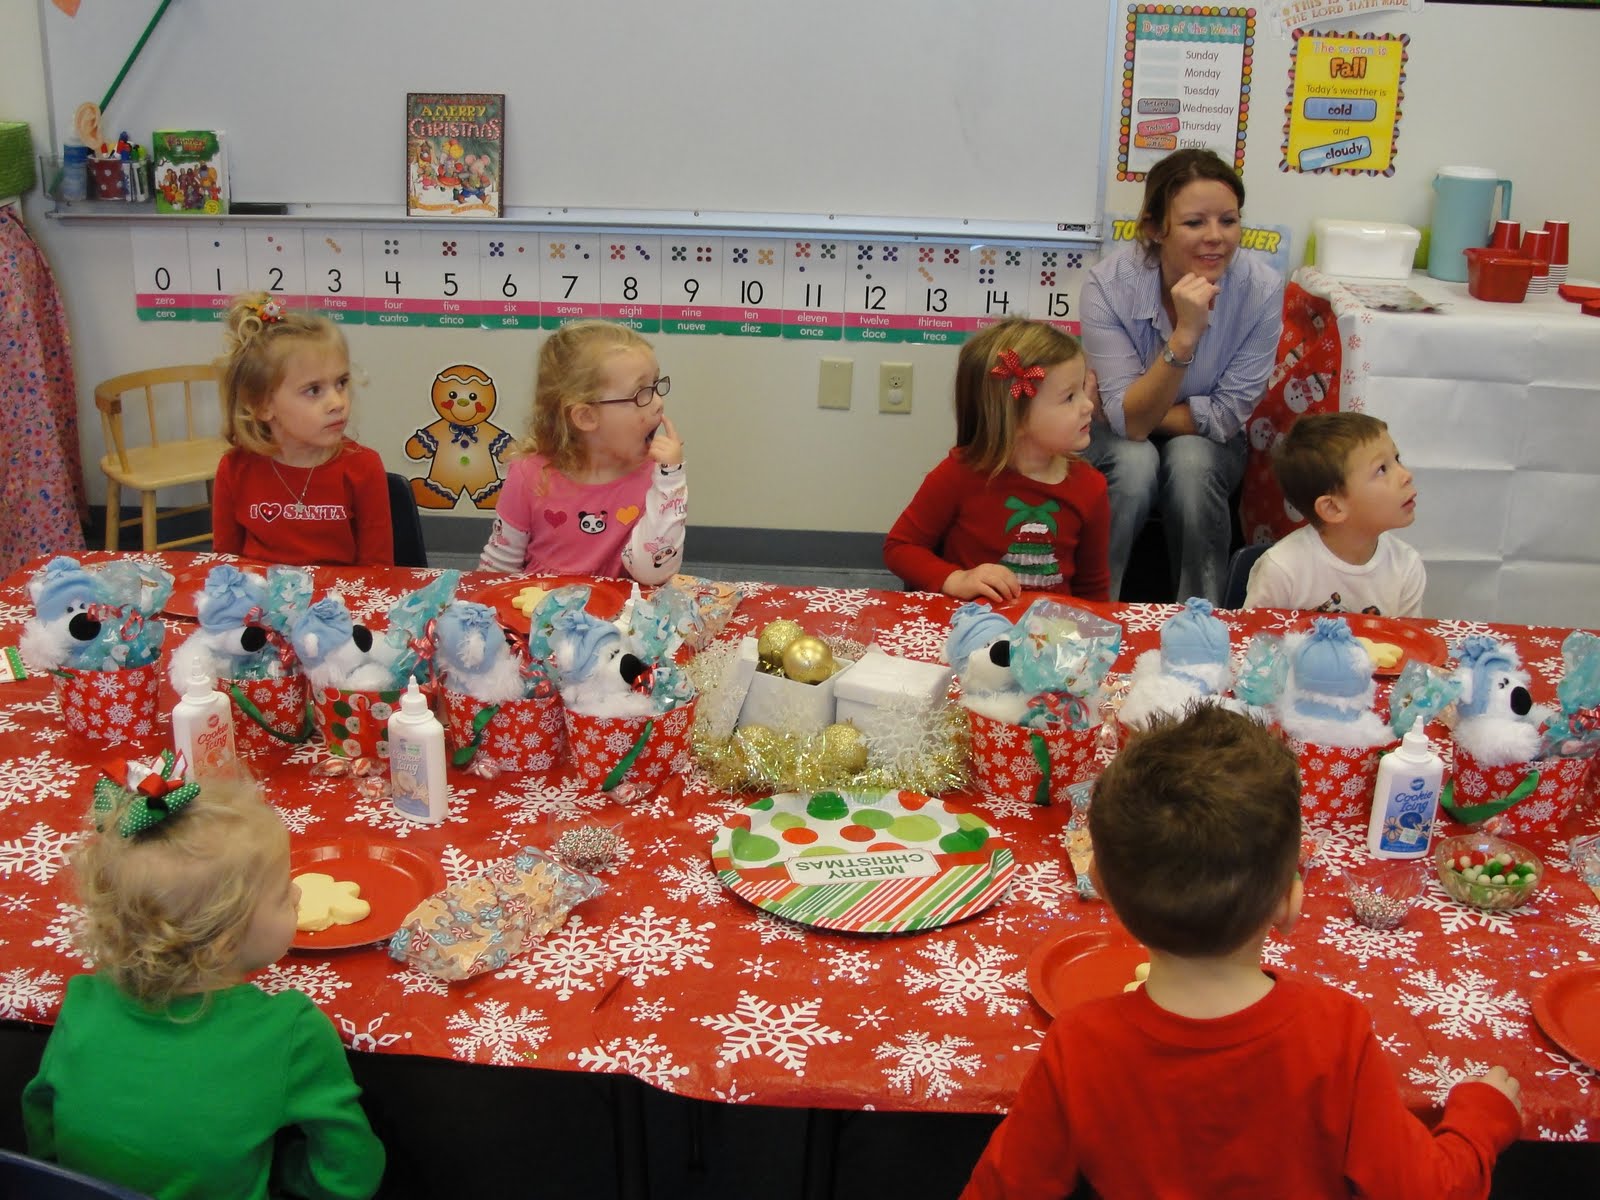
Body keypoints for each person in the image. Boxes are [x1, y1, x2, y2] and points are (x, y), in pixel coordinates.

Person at [961, 706, 1521, 1200]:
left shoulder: (1080, 1046)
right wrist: (1481, 1119)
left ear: (1100, 884)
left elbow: (1004, 1188)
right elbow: (1425, 1188)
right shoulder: (1336, 1036)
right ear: (1290, 899)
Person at [22, 758, 385, 1200]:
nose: (297, 893)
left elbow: (41, 1124)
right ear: (223, 944)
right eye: (280, 894)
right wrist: (284, 1175)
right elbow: (349, 1176)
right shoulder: (292, 1029)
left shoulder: (83, 1001)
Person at [1080, 148, 1285, 604]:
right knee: (1134, 463)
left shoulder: (1262, 289)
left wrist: (1135, 412)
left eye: (1228, 221)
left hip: (1209, 443)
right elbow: (1128, 427)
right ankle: (1091, 609)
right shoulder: (1107, 285)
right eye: (1195, 222)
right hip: (1119, 442)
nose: (1216, 237)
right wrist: (1185, 336)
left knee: (1191, 461)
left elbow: (1226, 416)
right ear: (1155, 228)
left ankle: (1201, 618)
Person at [883, 317, 1110, 602]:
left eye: (1083, 390)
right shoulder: (960, 474)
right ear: (1016, 418)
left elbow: (1092, 589)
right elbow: (900, 547)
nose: (1088, 405)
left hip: (1049, 628)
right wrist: (956, 579)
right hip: (968, 622)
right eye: (1069, 397)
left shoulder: (1090, 487)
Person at [479, 320, 686, 583]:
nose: (658, 403)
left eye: (655, 385)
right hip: (541, 603)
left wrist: (671, 481)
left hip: (622, 608)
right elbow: (499, 566)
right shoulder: (529, 474)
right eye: (641, 393)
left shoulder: (655, 474)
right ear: (586, 417)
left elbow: (654, 573)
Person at [212, 292, 393, 566]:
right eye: (314, 390)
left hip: (338, 594)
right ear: (262, 405)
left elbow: (377, 570)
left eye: (341, 383)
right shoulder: (235, 469)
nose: (337, 403)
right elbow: (225, 568)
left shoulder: (363, 468)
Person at [1245, 411, 1425, 615]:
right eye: (1382, 469)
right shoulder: (1281, 570)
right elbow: (1254, 634)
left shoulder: (1406, 565)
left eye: (1397, 459)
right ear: (1332, 508)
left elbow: (1407, 636)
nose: (1406, 475)